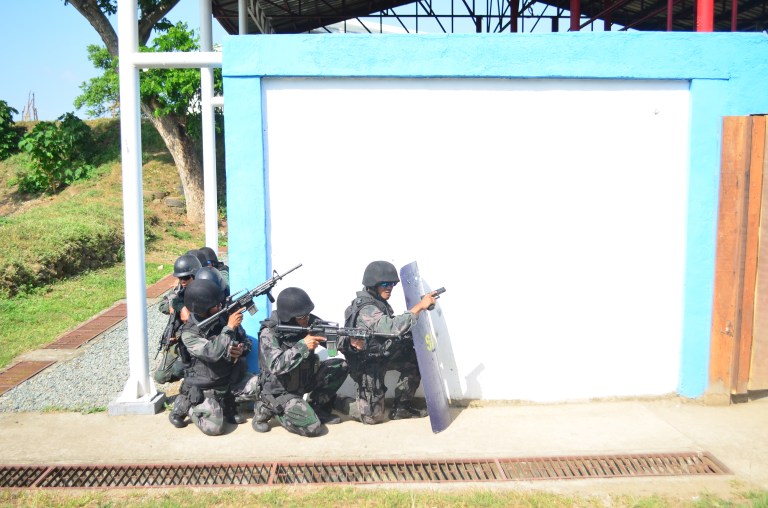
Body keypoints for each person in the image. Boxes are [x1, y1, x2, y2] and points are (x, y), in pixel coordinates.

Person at [340, 260, 437, 425]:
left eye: (392, 284)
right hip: (367, 364)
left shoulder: (378, 302)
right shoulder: (366, 308)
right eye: (385, 284)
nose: (389, 288)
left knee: (414, 359)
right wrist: (420, 306)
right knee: (372, 417)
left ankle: (401, 409)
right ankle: (337, 401)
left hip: (381, 353)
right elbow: (391, 328)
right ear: (372, 285)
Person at [252, 287, 349, 437]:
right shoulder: (269, 332)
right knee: (313, 428)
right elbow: (276, 365)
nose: (307, 319)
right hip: (281, 391)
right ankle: (269, 408)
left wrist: (351, 342)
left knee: (340, 366)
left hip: (304, 380)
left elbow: (332, 337)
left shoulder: (308, 321)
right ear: (289, 318)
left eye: (308, 314)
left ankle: (316, 407)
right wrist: (303, 346)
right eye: (302, 317)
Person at [168, 278, 259, 435]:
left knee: (263, 385)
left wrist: (240, 350)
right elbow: (212, 353)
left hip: (229, 380)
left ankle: (227, 406)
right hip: (206, 387)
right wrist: (229, 328)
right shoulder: (189, 333)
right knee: (214, 427)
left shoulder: (223, 317)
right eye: (216, 305)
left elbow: (246, 342)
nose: (220, 307)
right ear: (202, 308)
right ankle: (187, 405)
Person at [154, 253, 202, 384]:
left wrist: (179, 335)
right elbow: (163, 305)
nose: (183, 281)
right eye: (180, 278)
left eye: (186, 278)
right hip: (179, 340)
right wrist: (175, 305)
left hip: (195, 339)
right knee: (160, 376)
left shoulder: (203, 292)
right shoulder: (179, 291)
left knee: (178, 369)